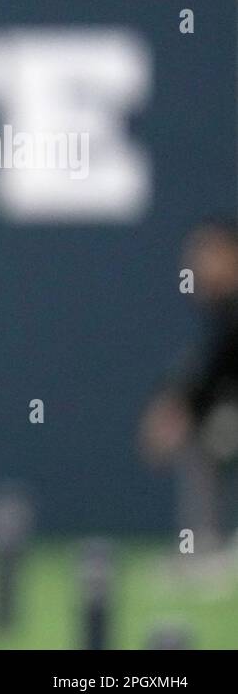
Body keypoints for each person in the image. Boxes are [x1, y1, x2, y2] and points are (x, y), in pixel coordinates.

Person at [140, 217, 238, 559]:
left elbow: (218, 373)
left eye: (206, 254)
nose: (195, 265)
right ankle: (203, 544)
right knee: (211, 431)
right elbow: (207, 369)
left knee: (211, 435)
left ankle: (207, 546)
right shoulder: (223, 309)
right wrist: (177, 403)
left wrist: (181, 409)